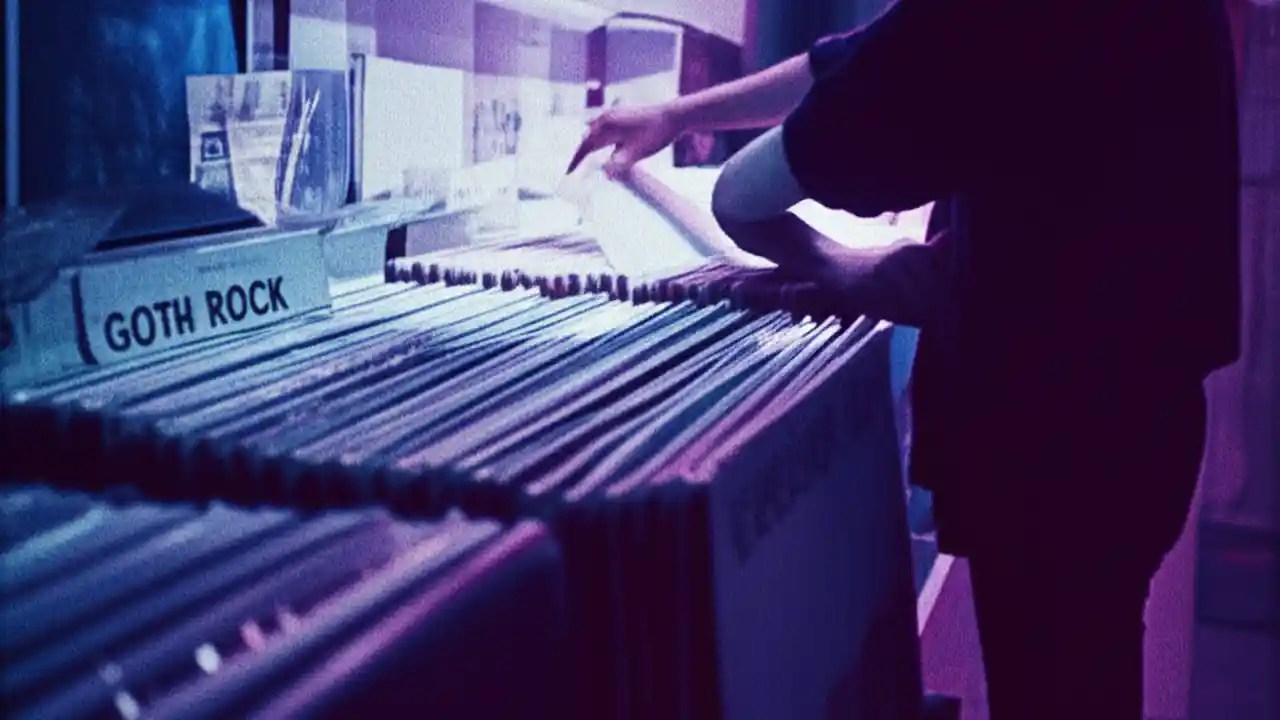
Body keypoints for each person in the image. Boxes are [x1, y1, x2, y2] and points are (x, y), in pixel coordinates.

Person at [569, 0, 1241, 717]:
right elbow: (864, 54)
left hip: (1047, 440)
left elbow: (743, 195)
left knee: (1052, 682)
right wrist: (678, 116)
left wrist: (841, 266)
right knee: (1090, 670)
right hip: (1147, 419)